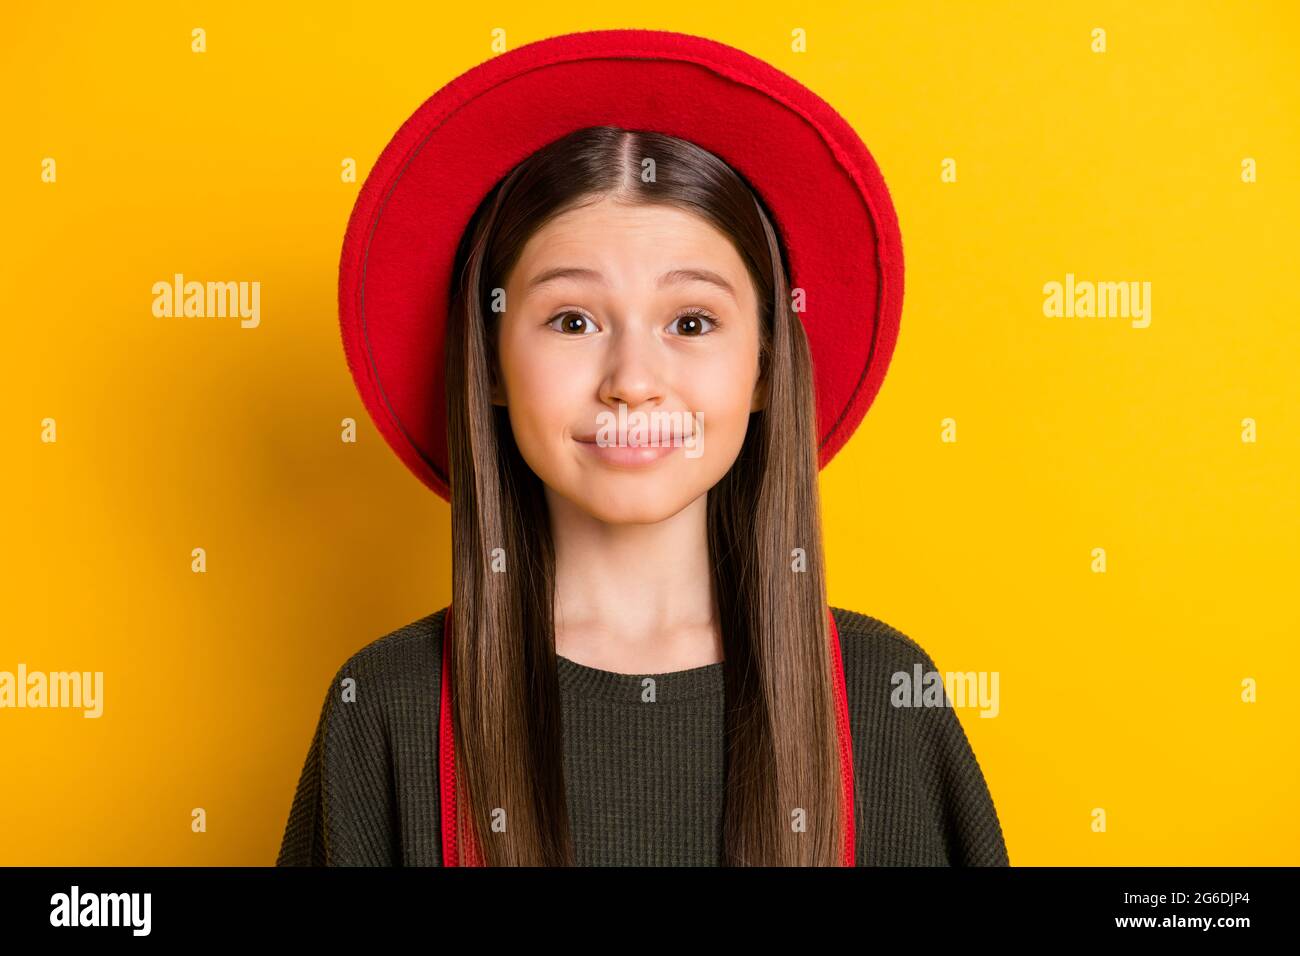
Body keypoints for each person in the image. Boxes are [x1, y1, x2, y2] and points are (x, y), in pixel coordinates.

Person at [277, 31, 1008, 867]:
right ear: (489, 365)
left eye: (691, 322)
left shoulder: (885, 699)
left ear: (767, 368)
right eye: (572, 320)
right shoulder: (387, 707)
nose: (632, 380)